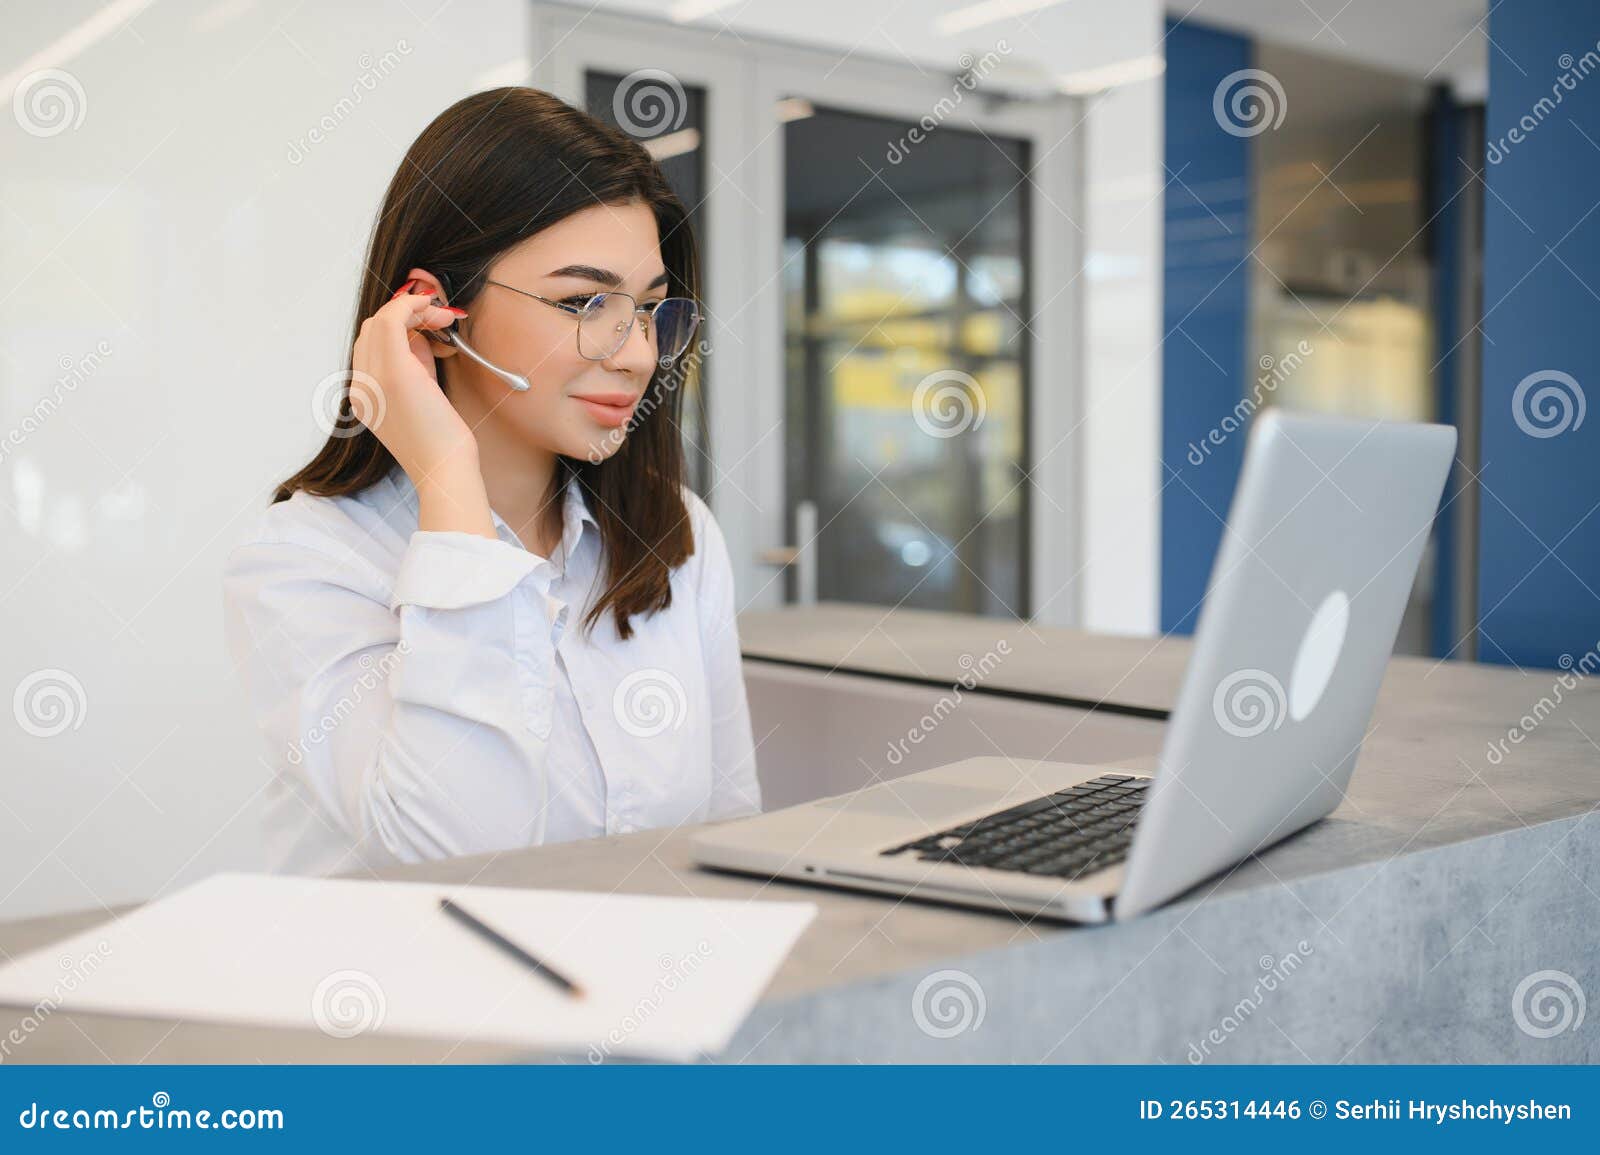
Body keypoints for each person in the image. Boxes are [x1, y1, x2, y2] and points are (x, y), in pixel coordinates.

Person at [222, 87, 760, 876]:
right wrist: (447, 480)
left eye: (648, 310)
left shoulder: (675, 533)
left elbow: (728, 835)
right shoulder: (305, 560)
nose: (638, 353)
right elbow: (459, 854)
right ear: (434, 312)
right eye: (583, 301)